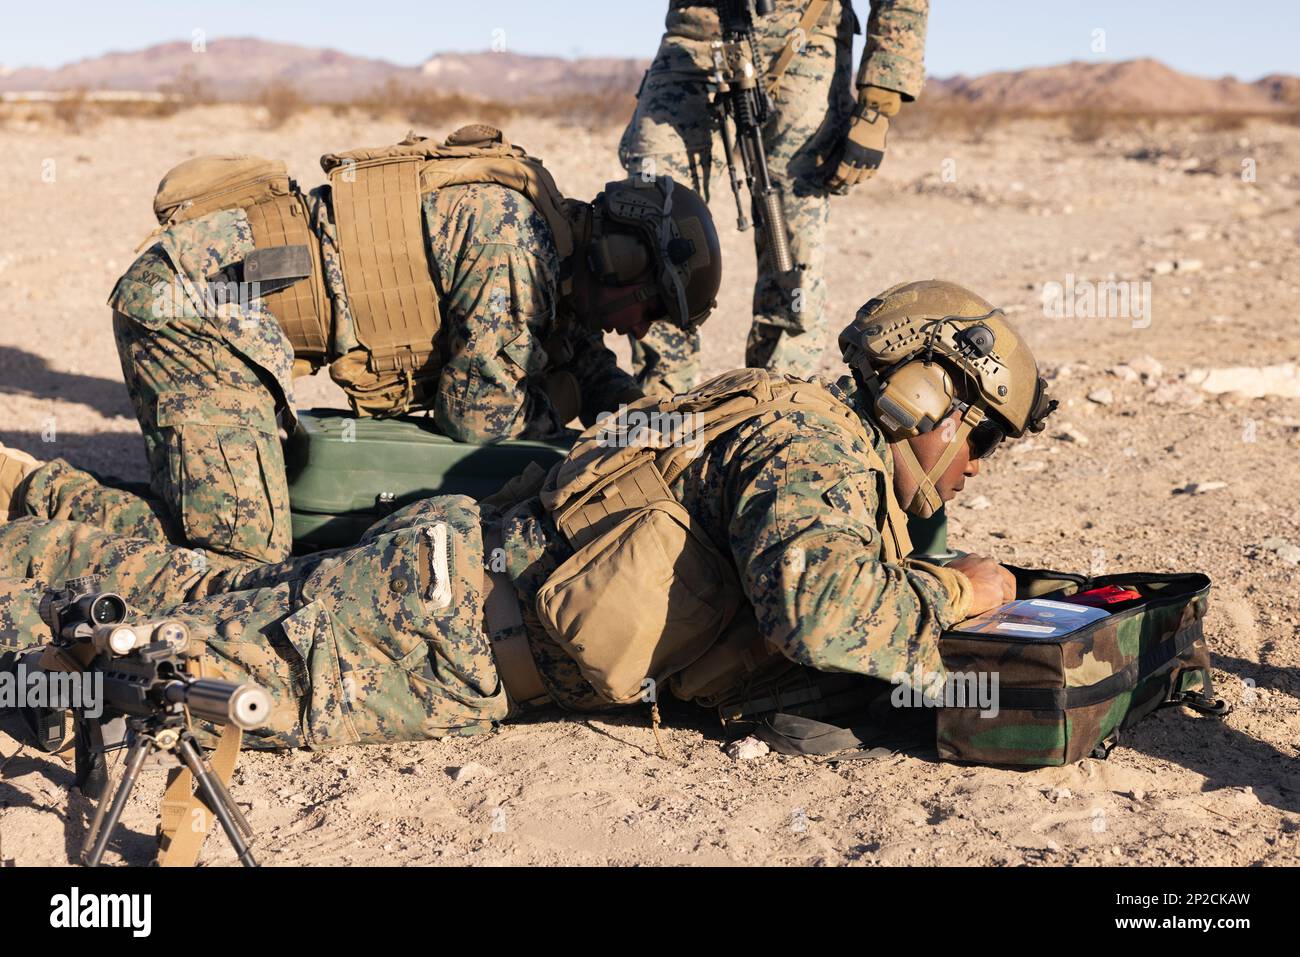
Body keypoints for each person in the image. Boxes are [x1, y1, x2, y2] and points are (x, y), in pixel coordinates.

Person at [0, 280, 1055, 752]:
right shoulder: (807, 444)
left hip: (443, 578)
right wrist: (965, 590)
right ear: (925, 399)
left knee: (199, 589)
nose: (973, 466)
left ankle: (32, 501)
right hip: (429, 637)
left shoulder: (787, 420)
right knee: (153, 673)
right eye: (981, 437)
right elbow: (824, 614)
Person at [104, 124, 722, 564]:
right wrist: (570, 429)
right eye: (653, 308)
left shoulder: (557, 258)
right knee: (241, 556)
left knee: (255, 512)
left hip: (230, 317)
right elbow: (479, 416)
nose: (641, 329)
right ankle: (37, 513)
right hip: (195, 304)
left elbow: (579, 357)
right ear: (622, 260)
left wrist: (637, 418)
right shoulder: (513, 239)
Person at [618, 0, 929, 394]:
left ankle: (775, 407)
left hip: (805, 31)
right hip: (694, 34)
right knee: (652, 212)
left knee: (791, 238)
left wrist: (879, 101)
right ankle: (659, 403)